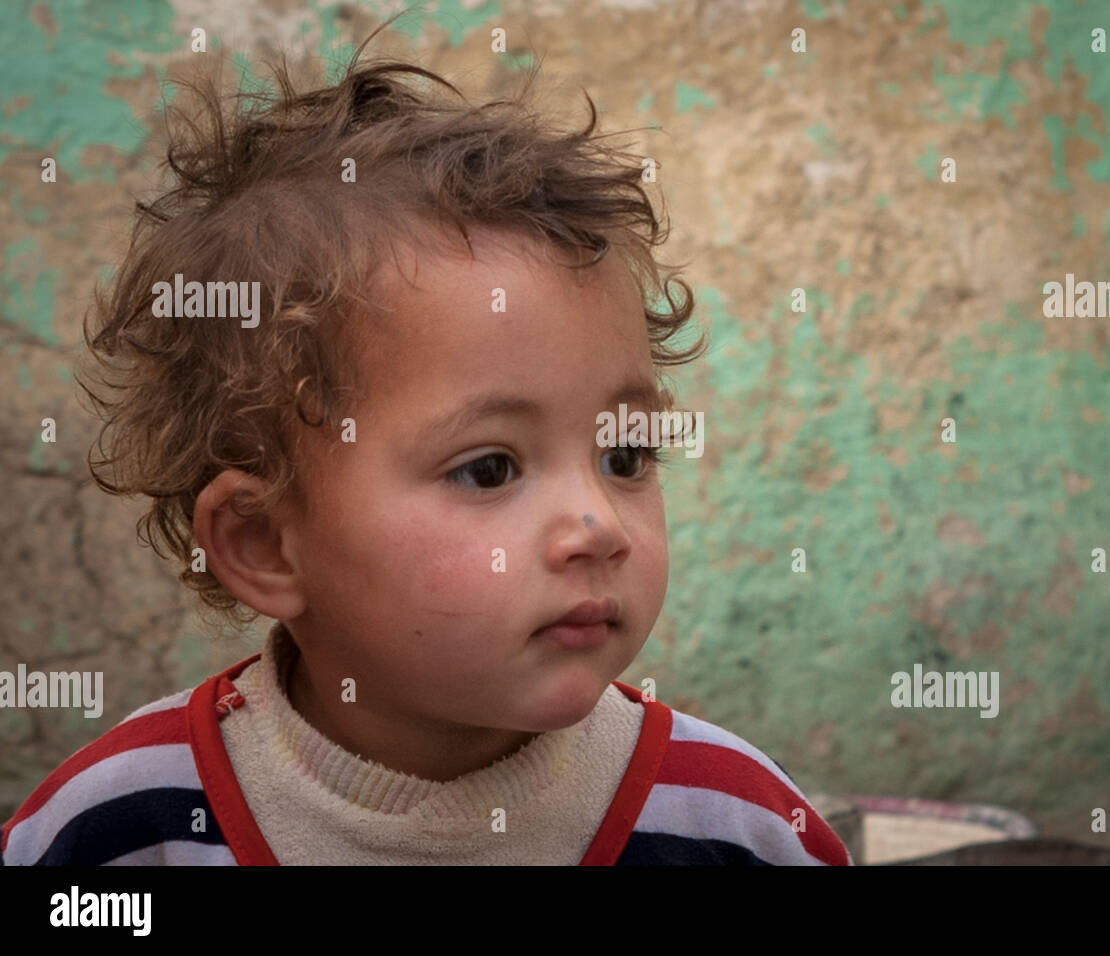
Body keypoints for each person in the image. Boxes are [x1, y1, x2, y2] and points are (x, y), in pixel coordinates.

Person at [2, 32, 851, 867]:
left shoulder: (731, 825)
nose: (598, 526)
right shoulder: (124, 826)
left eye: (625, 455)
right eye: (489, 469)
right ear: (265, 543)